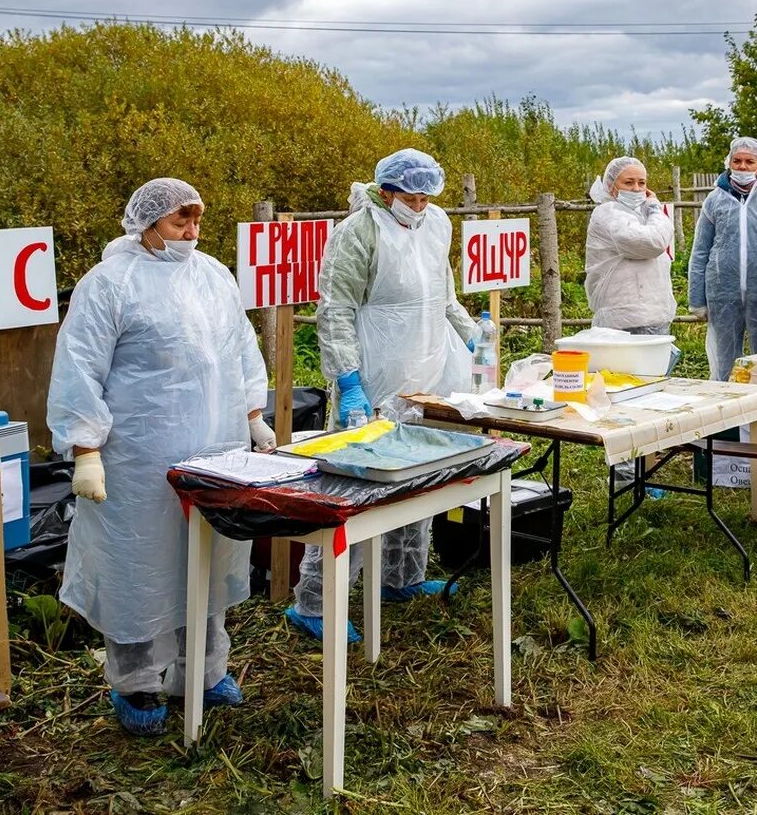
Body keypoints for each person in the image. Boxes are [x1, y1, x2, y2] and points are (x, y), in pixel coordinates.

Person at [47, 178, 272, 737]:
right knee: (140, 567)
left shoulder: (213, 275)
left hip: (217, 449)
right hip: (138, 459)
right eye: (179, 223)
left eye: (197, 222)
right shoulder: (110, 284)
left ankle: (204, 669)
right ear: (146, 224)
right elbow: (79, 370)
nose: (191, 233)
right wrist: (85, 450)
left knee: (209, 555)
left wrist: (252, 414)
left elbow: (240, 348)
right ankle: (139, 682)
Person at [286, 149, 475, 641]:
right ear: (386, 190)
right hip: (373, 370)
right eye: (411, 195)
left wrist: (470, 334)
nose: (420, 204)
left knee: (419, 472)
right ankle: (315, 602)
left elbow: (444, 292)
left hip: (426, 367)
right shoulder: (358, 231)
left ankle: (402, 576)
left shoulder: (436, 225)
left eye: (427, 196)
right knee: (353, 487)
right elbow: (337, 309)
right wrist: (348, 381)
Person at [688, 137, 757, 380]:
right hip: (723, 294)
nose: (743, 166)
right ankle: (729, 414)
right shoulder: (714, 200)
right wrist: (697, 299)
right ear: (729, 163)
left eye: (750, 161)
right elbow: (700, 251)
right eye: (737, 161)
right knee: (725, 359)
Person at [584, 156, 675, 336]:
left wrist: (651, 211)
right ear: (611, 186)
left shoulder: (643, 214)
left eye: (642, 183)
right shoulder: (607, 214)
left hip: (654, 315)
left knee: (654, 365)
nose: (636, 189)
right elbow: (653, 243)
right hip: (623, 321)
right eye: (628, 182)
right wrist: (656, 209)